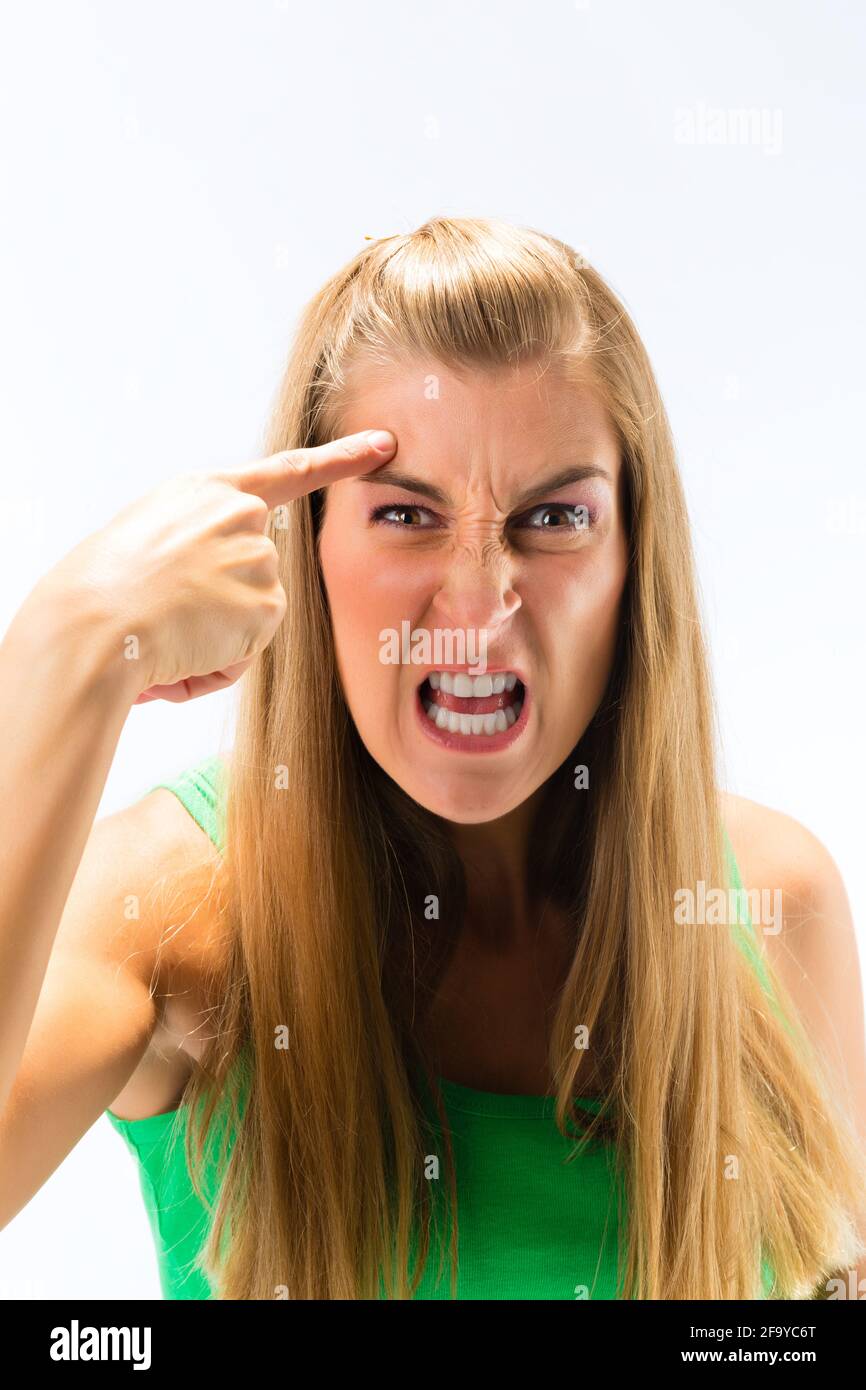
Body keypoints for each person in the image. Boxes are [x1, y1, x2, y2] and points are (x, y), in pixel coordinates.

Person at [1, 216, 864, 1300]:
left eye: (551, 516)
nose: (475, 603)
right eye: (407, 514)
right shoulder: (172, 906)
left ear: (633, 560)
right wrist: (67, 644)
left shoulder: (769, 902)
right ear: (304, 553)